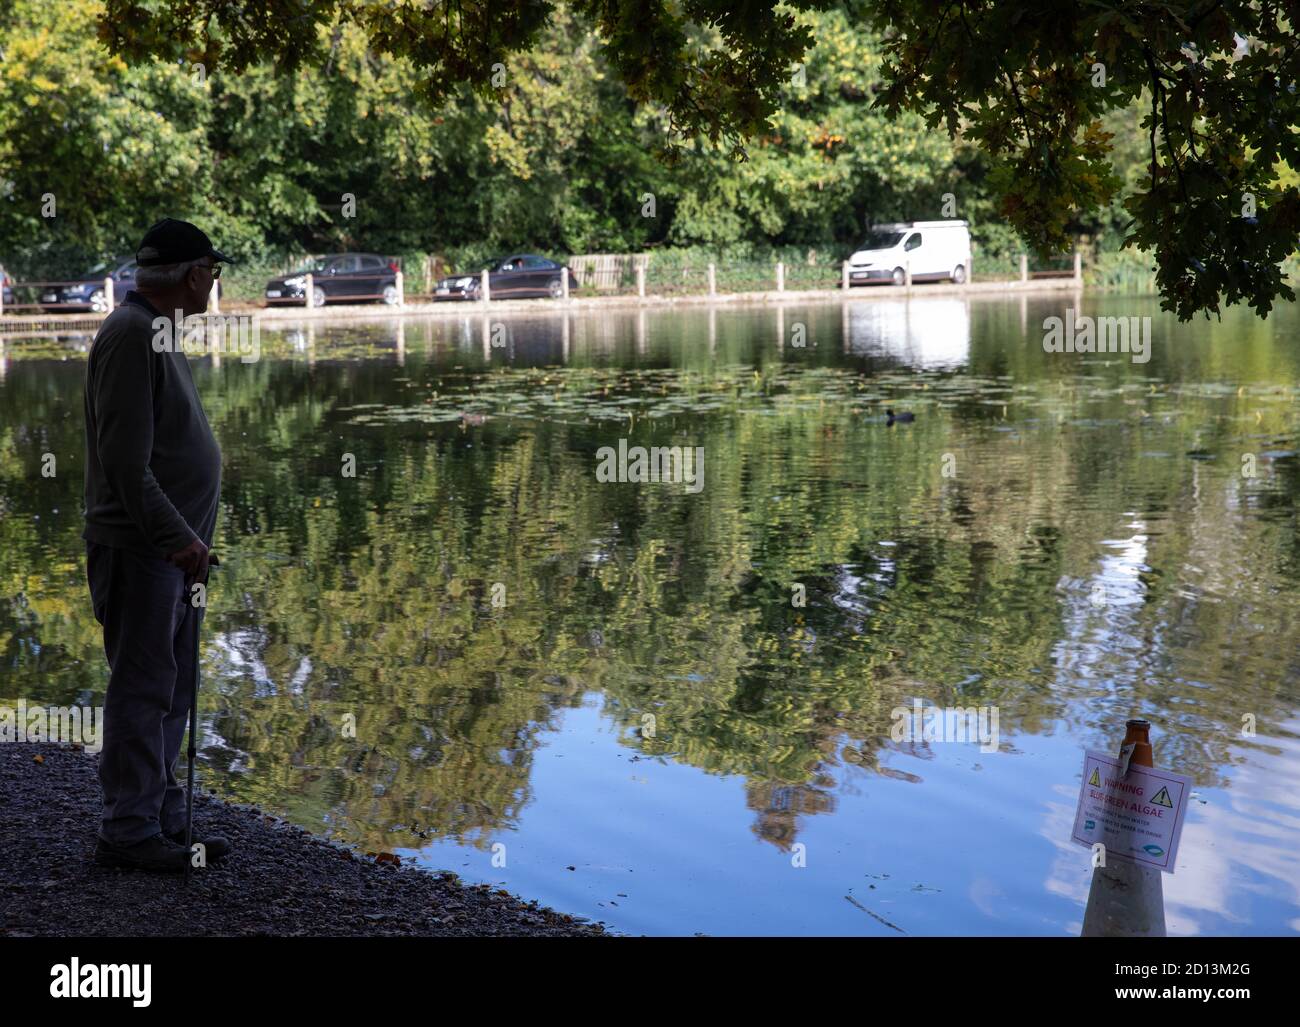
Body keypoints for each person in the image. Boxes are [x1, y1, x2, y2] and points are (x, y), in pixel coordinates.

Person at [83, 218, 233, 871]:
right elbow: (124, 463)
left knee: (173, 686)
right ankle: (128, 829)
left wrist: (191, 543)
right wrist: (177, 537)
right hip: (144, 549)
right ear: (193, 274)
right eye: (213, 271)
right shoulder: (130, 335)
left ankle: (161, 816)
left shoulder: (158, 331)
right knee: (144, 686)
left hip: (177, 553)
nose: (215, 283)